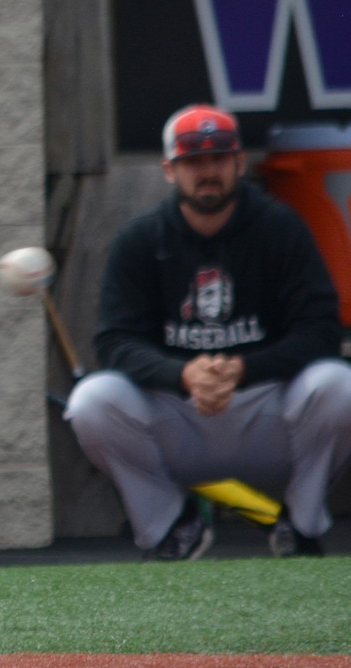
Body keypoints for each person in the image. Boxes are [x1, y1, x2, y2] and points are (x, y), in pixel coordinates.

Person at [66, 103, 351, 560]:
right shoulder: (141, 239)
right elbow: (114, 342)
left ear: (239, 162)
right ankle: (169, 526)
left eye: (218, 158)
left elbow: (320, 330)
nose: (208, 171)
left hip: (266, 407)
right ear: (169, 170)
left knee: (340, 385)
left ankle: (299, 524)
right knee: (92, 401)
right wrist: (183, 375)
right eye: (193, 161)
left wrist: (242, 367)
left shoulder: (279, 228)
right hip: (180, 411)